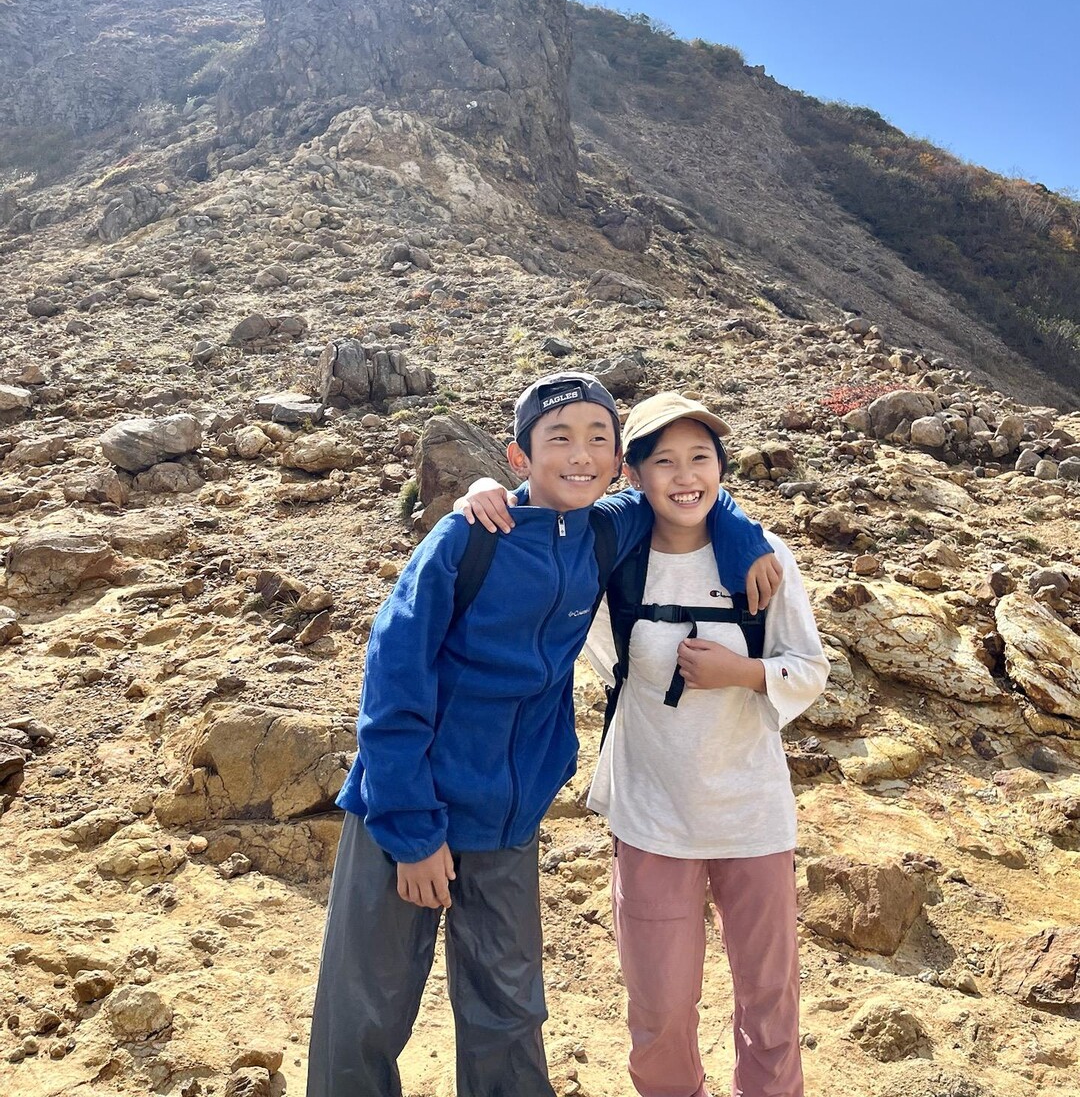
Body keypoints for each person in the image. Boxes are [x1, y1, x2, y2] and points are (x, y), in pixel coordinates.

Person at [307, 373, 781, 1097]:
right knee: (366, 1010)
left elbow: (686, 489)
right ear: (519, 456)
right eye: (559, 438)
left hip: (507, 818)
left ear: (618, 462)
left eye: (598, 439)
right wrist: (411, 831)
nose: (580, 454)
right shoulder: (469, 538)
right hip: (405, 809)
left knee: (508, 1011)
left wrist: (745, 538)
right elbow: (393, 682)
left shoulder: (605, 530)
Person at [460, 391, 829, 1097]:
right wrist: (483, 489)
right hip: (652, 816)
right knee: (659, 1008)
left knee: (770, 1004)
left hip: (752, 815)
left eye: (701, 458)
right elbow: (543, 535)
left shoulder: (764, 557)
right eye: (664, 462)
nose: (685, 477)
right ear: (633, 474)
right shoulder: (613, 557)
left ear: (721, 468)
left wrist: (743, 673)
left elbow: (808, 669)